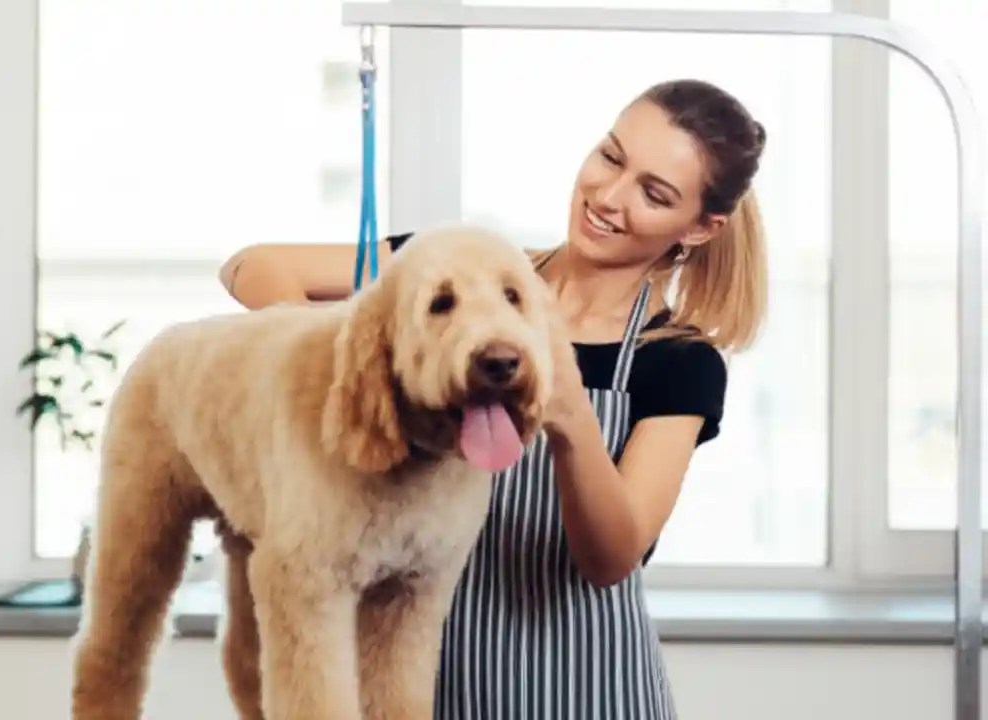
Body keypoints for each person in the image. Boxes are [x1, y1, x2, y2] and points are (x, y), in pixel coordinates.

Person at [218, 78, 767, 720]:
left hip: (585, 694)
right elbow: (249, 266)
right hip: (420, 678)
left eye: (653, 193)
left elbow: (613, 559)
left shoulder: (677, 361)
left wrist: (569, 418)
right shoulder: (458, 275)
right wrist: (363, 349)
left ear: (701, 228)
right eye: (611, 157)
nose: (609, 198)